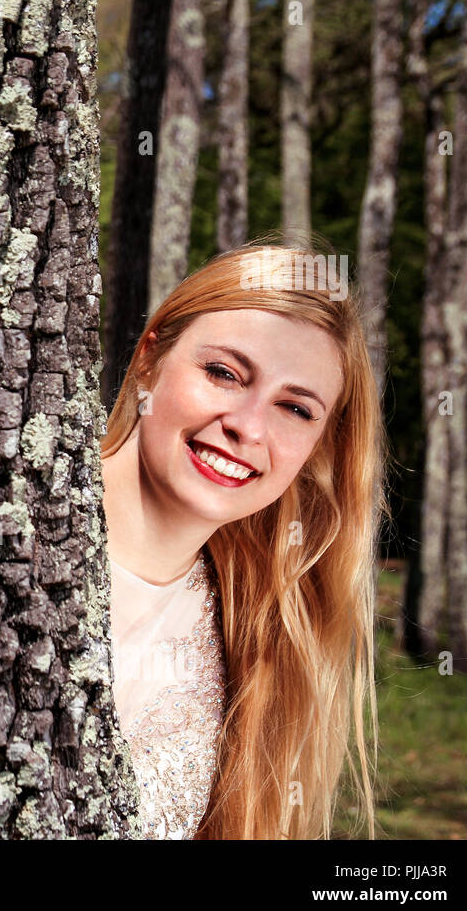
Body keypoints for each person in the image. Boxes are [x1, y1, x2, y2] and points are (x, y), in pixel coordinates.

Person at [100, 241, 386, 839]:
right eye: (224, 373)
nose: (247, 427)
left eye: (295, 408)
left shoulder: (260, 646)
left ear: (318, 447)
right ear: (151, 357)